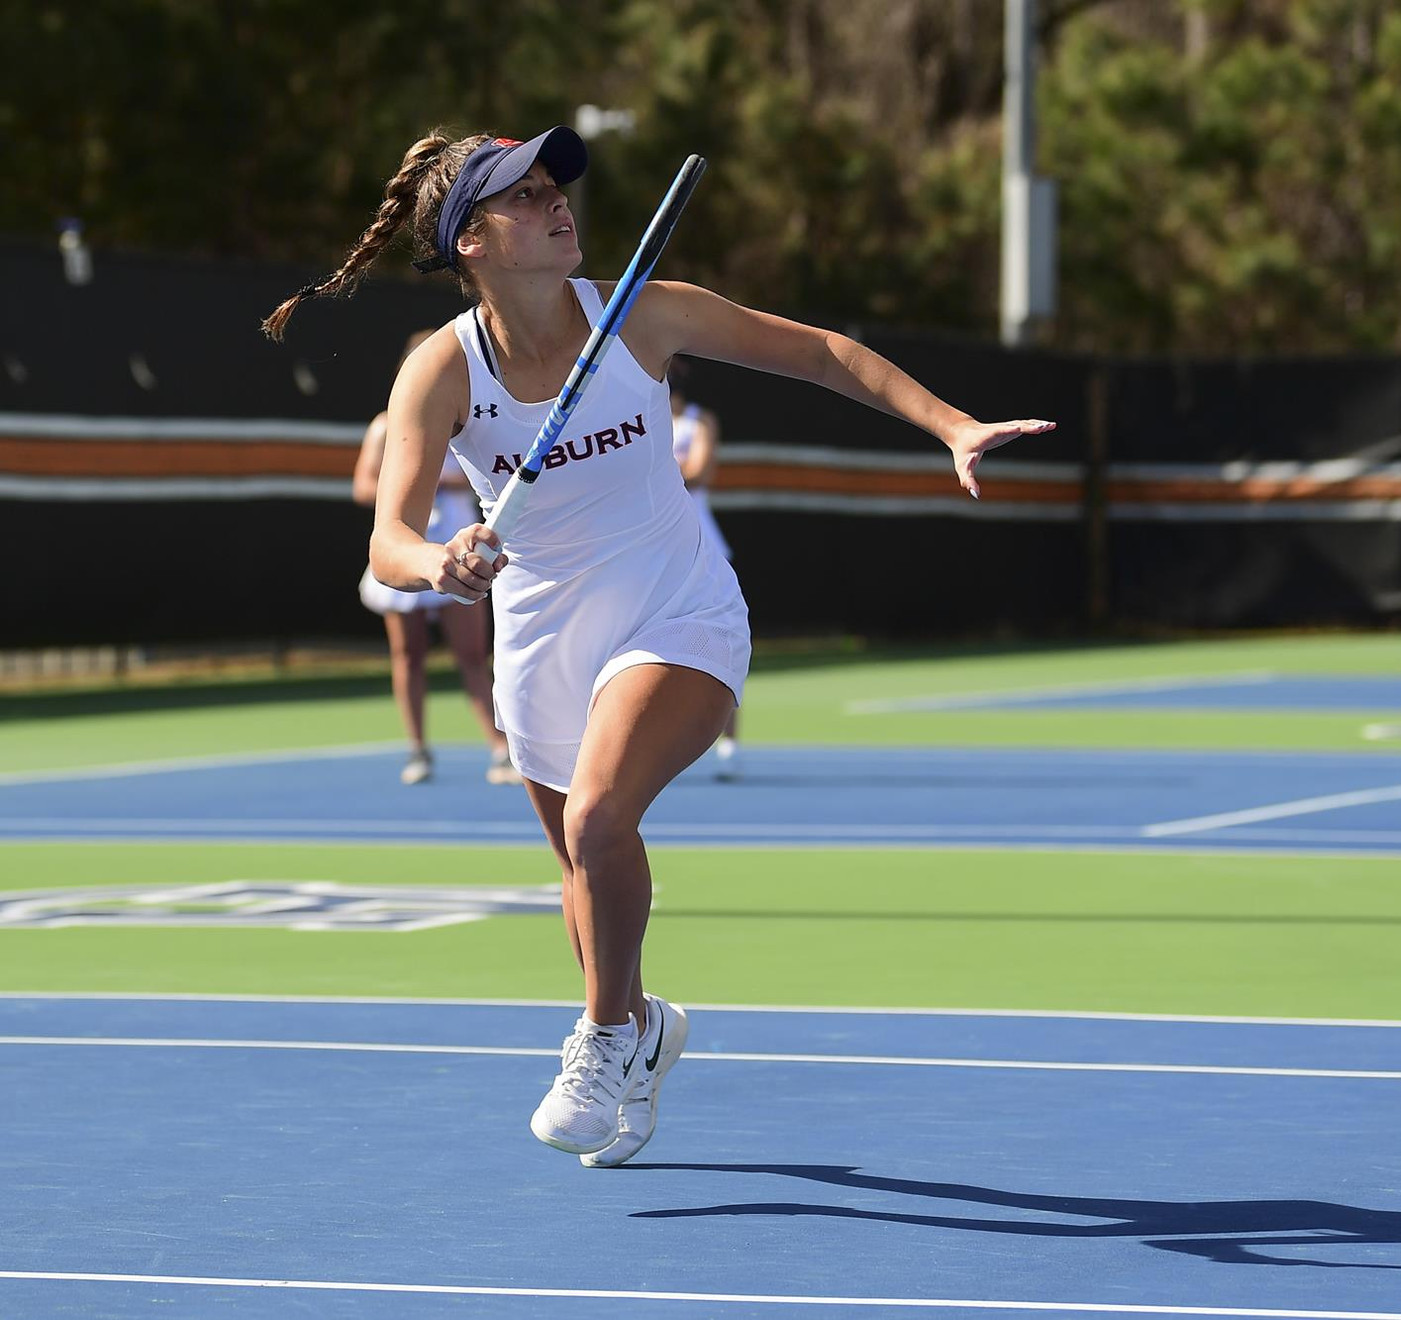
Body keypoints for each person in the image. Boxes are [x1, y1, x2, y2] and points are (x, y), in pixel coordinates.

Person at [264, 126, 1053, 1166]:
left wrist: (949, 423)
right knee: (581, 864)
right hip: (541, 633)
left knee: (597, 818)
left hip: (676, 608)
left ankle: (598, 1040)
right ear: (470, 244)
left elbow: (818, 351)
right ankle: (642, 1029)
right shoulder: (439, 374)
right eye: (526, 196)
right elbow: (389, 540)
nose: (558, 206)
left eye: (558, 189)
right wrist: (442, 560)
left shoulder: (639, 316)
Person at [353, 329, 523, 787]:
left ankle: (500, 748)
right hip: (412, 551)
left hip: (463, 547)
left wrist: (453, 487)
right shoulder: (387, 425)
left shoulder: (471, 415)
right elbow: (364, 486)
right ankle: (418, 749)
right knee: (408, 654)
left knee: (471, 653)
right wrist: (416, 497)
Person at [667, 361, 741, 780]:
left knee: (718, 645)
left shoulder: (699, 421)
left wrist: (657, 472)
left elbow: (700, 471)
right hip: (653, 547)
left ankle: (729, 746)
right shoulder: (640, 418)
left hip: (702, 541)